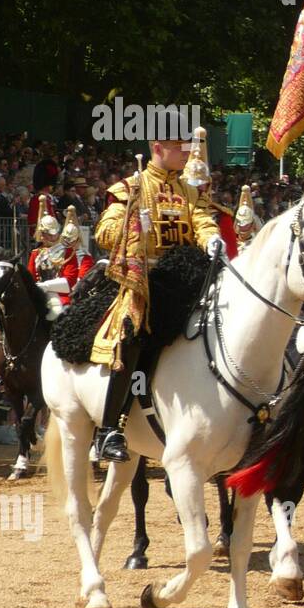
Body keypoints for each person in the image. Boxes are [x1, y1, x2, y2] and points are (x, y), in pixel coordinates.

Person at [89, 127, 222, 462]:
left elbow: (202, 219)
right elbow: (104, 232)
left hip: (185, 281)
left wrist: (211, 238)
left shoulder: (189, 190)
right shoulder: (129, 188)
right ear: (158, 147)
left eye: (188, 147)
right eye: (180, 147)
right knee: (131, 335)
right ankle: (110, 429)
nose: (187, 153)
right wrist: (134, 226)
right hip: (145, 284)